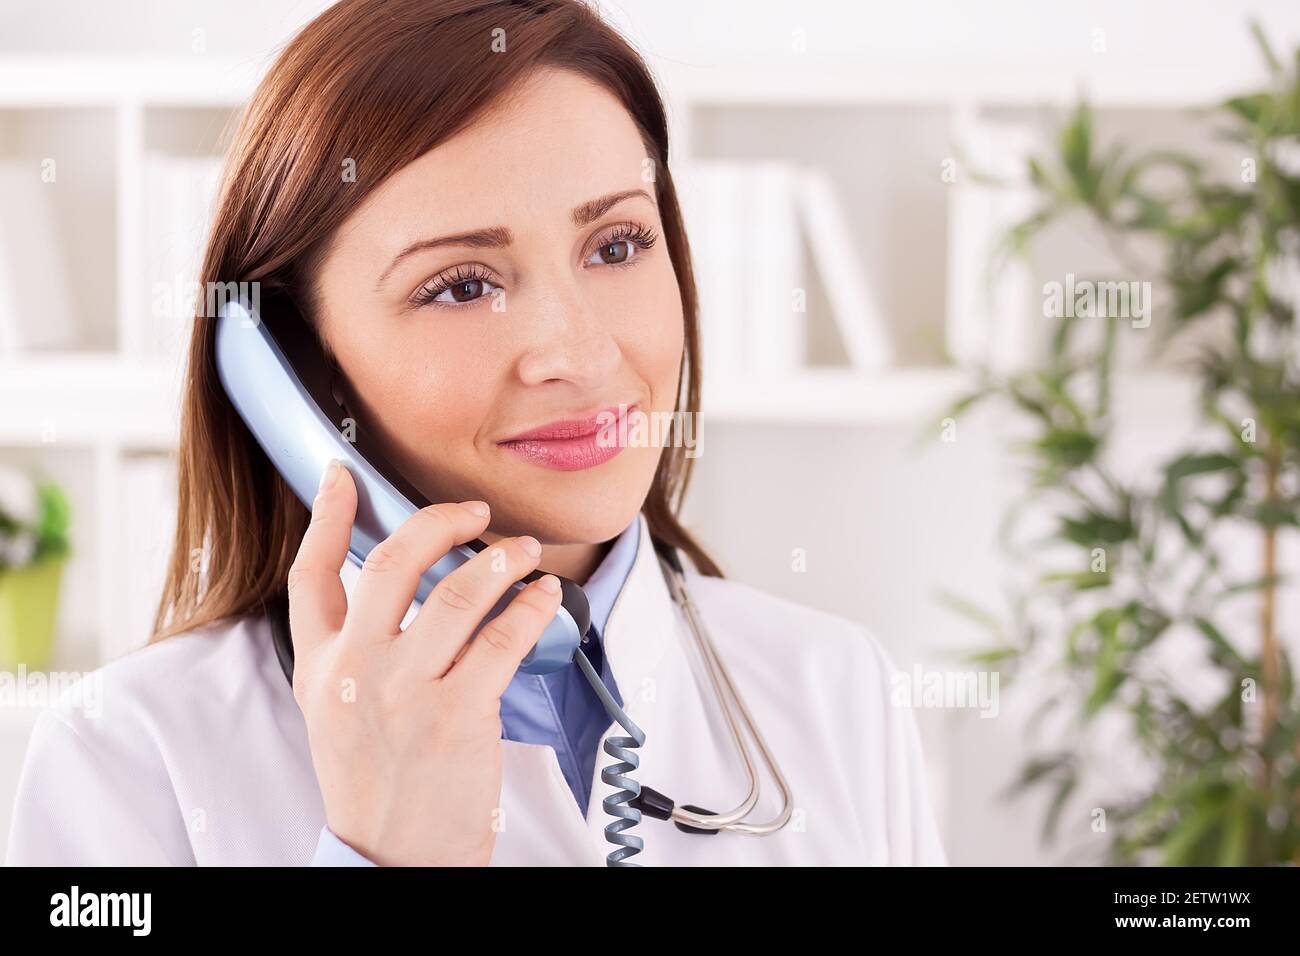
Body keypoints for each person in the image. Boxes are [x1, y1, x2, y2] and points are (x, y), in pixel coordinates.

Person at [5, 0, 946, 867]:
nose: (578, 354)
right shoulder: (123, 758)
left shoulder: (838, 691)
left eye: (616, 245)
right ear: (294, 365)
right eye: (461, 285)